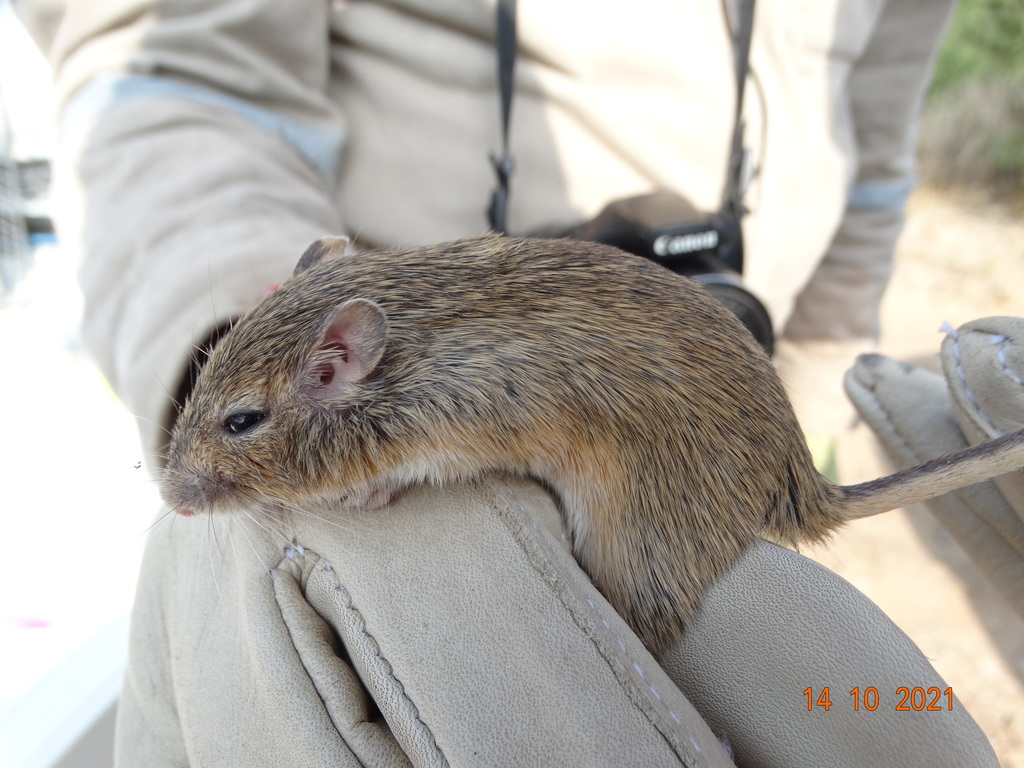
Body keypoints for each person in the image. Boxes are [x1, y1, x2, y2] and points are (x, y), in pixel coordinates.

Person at [14, 0, 1002, 765]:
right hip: (509, 355)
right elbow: (171, 69)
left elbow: (871, 153)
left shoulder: (404, 401)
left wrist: (819, 380)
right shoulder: (360, 372)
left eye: (235, 426)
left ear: (341, 367)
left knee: (705, 671)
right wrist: (204, 330)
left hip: (703, 405)